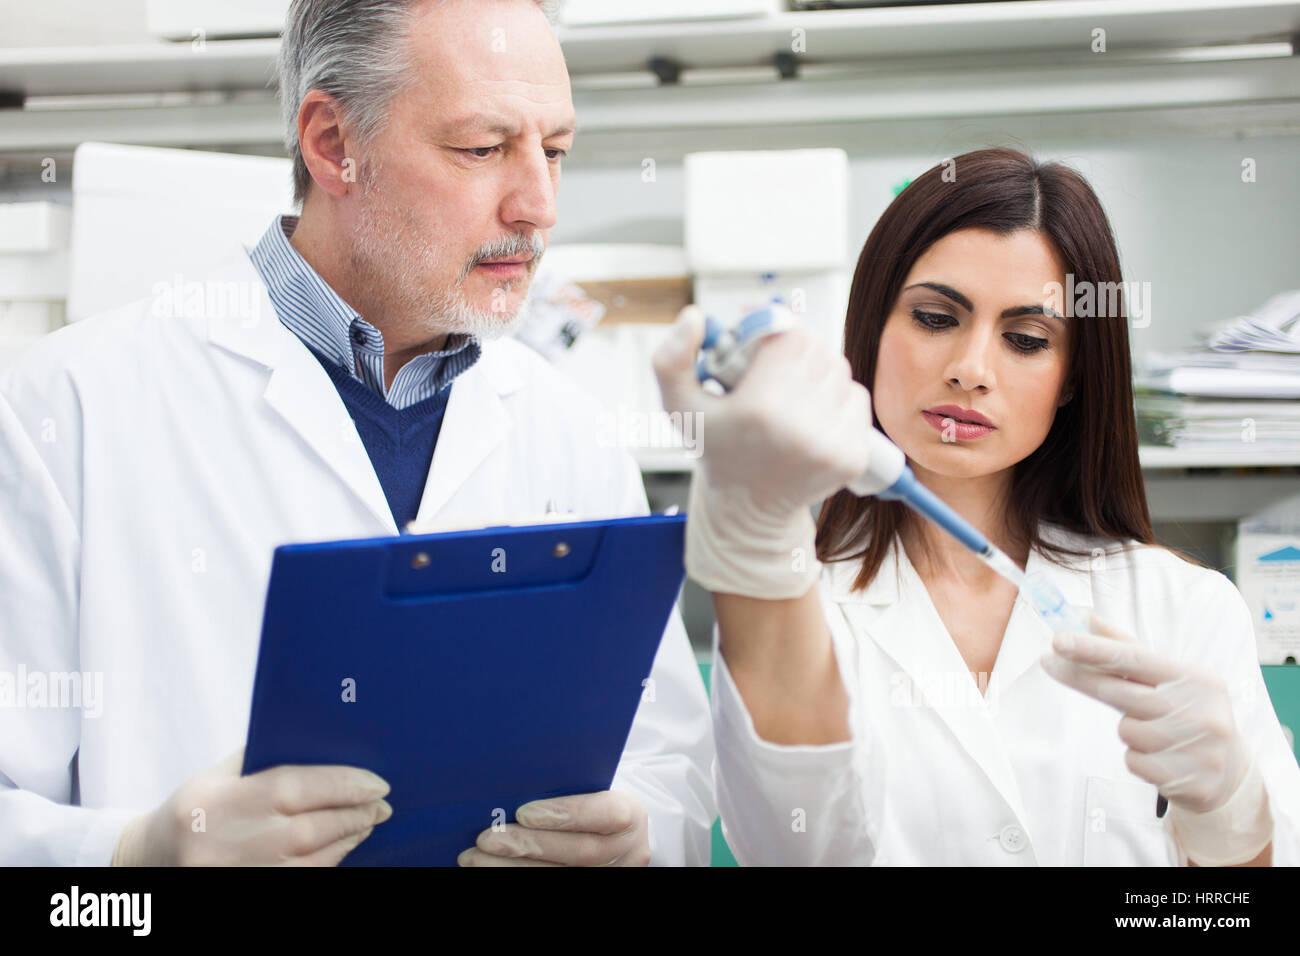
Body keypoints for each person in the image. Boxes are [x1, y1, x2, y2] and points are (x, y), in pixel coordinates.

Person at [0, 0, 714, 867]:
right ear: (333, 143)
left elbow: (668, 762)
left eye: (554, 151)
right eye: (482, 149)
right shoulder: (66, 408)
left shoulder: (569, 431)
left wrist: (636, 836)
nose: (538, 206)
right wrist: (134, 856)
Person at [652, 147, 1300, 866]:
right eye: (935, 318)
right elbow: (793, 848)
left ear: (1074, 376)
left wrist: (1228, 811)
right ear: (871, 329)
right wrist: (756, 532)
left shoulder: (1184, 610)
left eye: (1026, 339)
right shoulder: (795, 604)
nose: (970, 370)